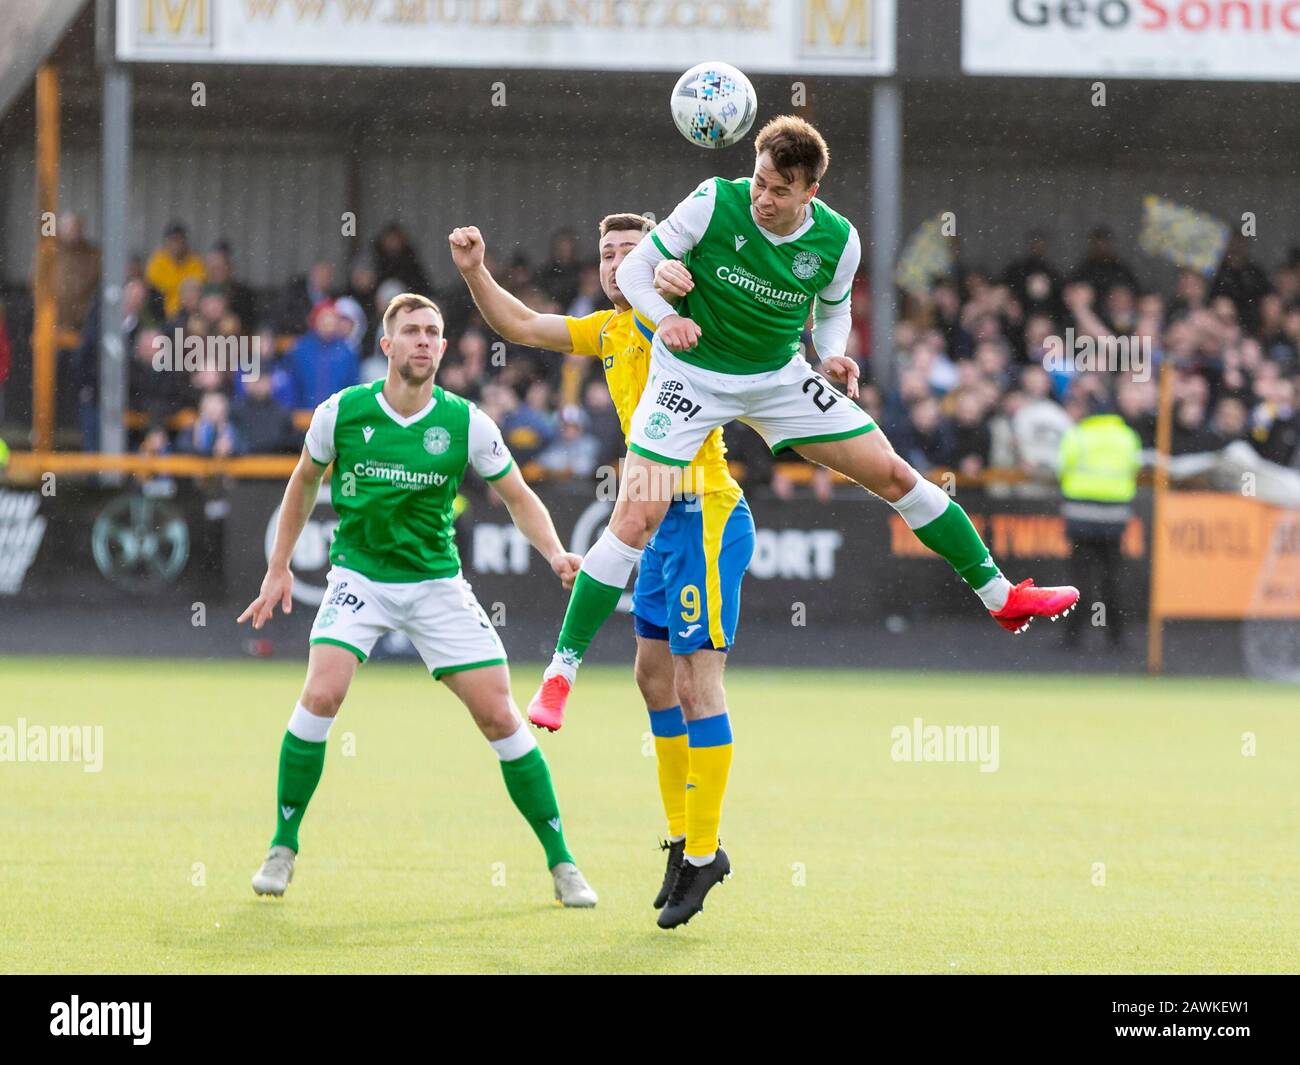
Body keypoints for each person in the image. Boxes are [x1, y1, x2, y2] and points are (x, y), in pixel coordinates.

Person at [522, 114, 1079, 737]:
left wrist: (833, 352)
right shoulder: (713, 201)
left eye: (779, 191)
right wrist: (662, 315)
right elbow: (631, 274)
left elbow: (833, 309)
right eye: (759, 182)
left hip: (778, 377)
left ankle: (1000, 596)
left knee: (895, 474)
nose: (762, 198)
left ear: (810, 192)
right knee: (633, 517)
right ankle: (560, 672)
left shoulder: (840, 241)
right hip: (689, 376)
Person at [237, 292, 597, 907]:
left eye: (433, 332)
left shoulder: (466, 422)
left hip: (436, 584)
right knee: (322, 690)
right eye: (412, 332)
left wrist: (559, 552)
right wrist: (278, 569)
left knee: (499, 715)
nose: (425, 341)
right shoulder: (342, 412)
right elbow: (302, 482)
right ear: (387, 347)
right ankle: (283, 845)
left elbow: (516, 496)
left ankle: (562, 863)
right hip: (360, 578)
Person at [449, 214, 755, 929]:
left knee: (696, 684)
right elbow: (522, 323)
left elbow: (713, 300)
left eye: (630, 252)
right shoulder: (610, 331)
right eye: (607, 253)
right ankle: (683, 839)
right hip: (653, 521)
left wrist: (689, 276)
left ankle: (707, 850)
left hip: (703, 512)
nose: (616, 263)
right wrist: (473, 271)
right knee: (653, 679)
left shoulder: (676, 316)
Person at [1057, 399, 1142, 648]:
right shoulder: (1127, 436)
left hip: (1081, 514)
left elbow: (1061, 467)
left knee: (1078, 578)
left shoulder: (1077, 434)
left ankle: (1072, 636)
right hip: (1114, 517)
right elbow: (1133, 468)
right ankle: (1116, 637)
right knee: (1112, 578)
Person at [145, 222, 206, 318]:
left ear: (185, 242)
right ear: (166, 242)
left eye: (179, 240)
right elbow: (153, 287)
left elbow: (198, 289)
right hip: (162, 314)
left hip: (188, 314)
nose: (176, 245)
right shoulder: (158, 261)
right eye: (172, 240)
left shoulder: (195, 262)